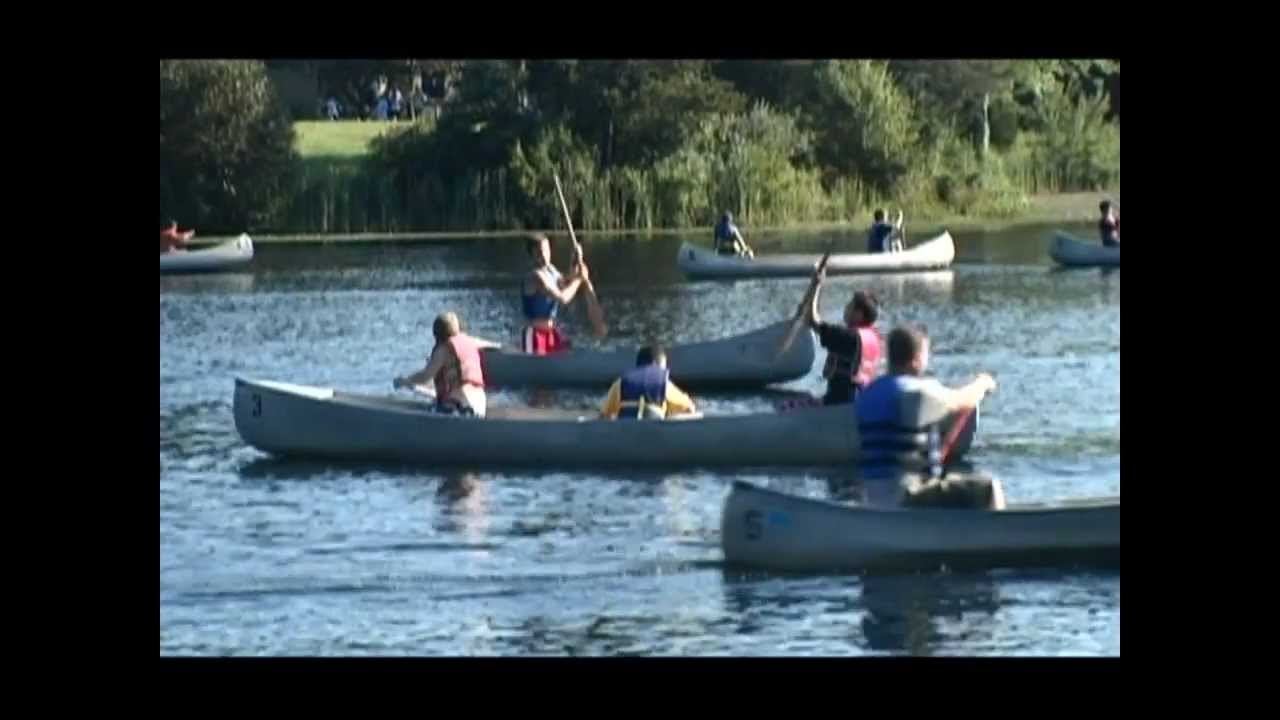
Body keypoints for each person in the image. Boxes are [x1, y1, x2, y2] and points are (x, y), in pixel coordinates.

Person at [853, 324, 1005, 509]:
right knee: (988, 487)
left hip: (872, 497)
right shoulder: (920, 391)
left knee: (950, 481)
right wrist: (983, 383)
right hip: (908, 496)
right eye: (926, 355)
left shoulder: (867, 394)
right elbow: (963, 400)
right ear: (916, 360)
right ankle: (997, 533)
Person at [393, 312, 498, 417]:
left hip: (461, 405)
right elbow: (490, 345)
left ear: (437, 333)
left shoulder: (443, 350)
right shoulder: (470, 341)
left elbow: (425, 376)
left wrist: (406, 380)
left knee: (432, 411)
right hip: (480, 403)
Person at [805, 263, 882, 405]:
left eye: (849, 306)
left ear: (858, 314)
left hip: (838, 404)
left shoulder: (847, 337)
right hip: (860, 403)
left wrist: (816, 285)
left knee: (785, 407)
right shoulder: (874, 338)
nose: (845, 309)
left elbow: (811, 319)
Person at [520, 233, 591, 355]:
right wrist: (579, 280)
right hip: (534, 333)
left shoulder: (551, 270)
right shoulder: (535, 277)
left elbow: (566, 282)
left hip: (551, 332)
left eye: (546, 250)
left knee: (567, 350)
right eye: (539, 252)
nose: (544, 255)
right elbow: (563, 298)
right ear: (531, 254)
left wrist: (575, 259)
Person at [600, 346, 698, 420]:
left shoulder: (621, 382)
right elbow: (688, 408)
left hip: (626, 429)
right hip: (653, 431)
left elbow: (605, 414)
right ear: (659, 364)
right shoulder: (663, 382)